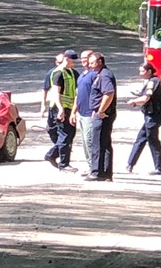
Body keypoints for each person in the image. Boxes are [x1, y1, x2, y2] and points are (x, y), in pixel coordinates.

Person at [127, 61, 161, 175]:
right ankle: (130, 164)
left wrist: (134, 101)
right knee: (141, 139)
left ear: (149, 71)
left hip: (153, 116)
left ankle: (160, 168)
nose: (140, 74)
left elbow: (146, 98)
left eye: (142, 71)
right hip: (151, 116)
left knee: (152, 141)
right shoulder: (151, 81)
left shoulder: (153, 82)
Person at [43, 49, 79, 171]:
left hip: (69, 108)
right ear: (67, 59)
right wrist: (60, 109)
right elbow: (55, 93)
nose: (74, 63)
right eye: (73, 60)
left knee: (70, 135)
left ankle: (53, 155)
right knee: (65, 135)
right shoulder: (58, 73)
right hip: (60, 108)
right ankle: (63, 163)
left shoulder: (71, 72)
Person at [84, 51, 117, 181]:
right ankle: (106, 173)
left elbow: (108, 93)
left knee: (97, 143)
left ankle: (96, 172)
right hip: (105, 113)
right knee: (104, 143)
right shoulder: (102, 74)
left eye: (92, 62)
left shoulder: (104, 75)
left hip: (103, 115)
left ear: (99, 62)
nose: (90, 65)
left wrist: (100, 111)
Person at [69, 50, 96, 174]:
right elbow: (77, 95)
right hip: (81, 113)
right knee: (85, 142)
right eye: (82, 58)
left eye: (86, 57)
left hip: (91, 113)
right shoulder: (82, 75)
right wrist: (73, 112)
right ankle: (90, 166)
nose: (83, 60)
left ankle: (94, 168)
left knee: (90, 141)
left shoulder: (95, 74)